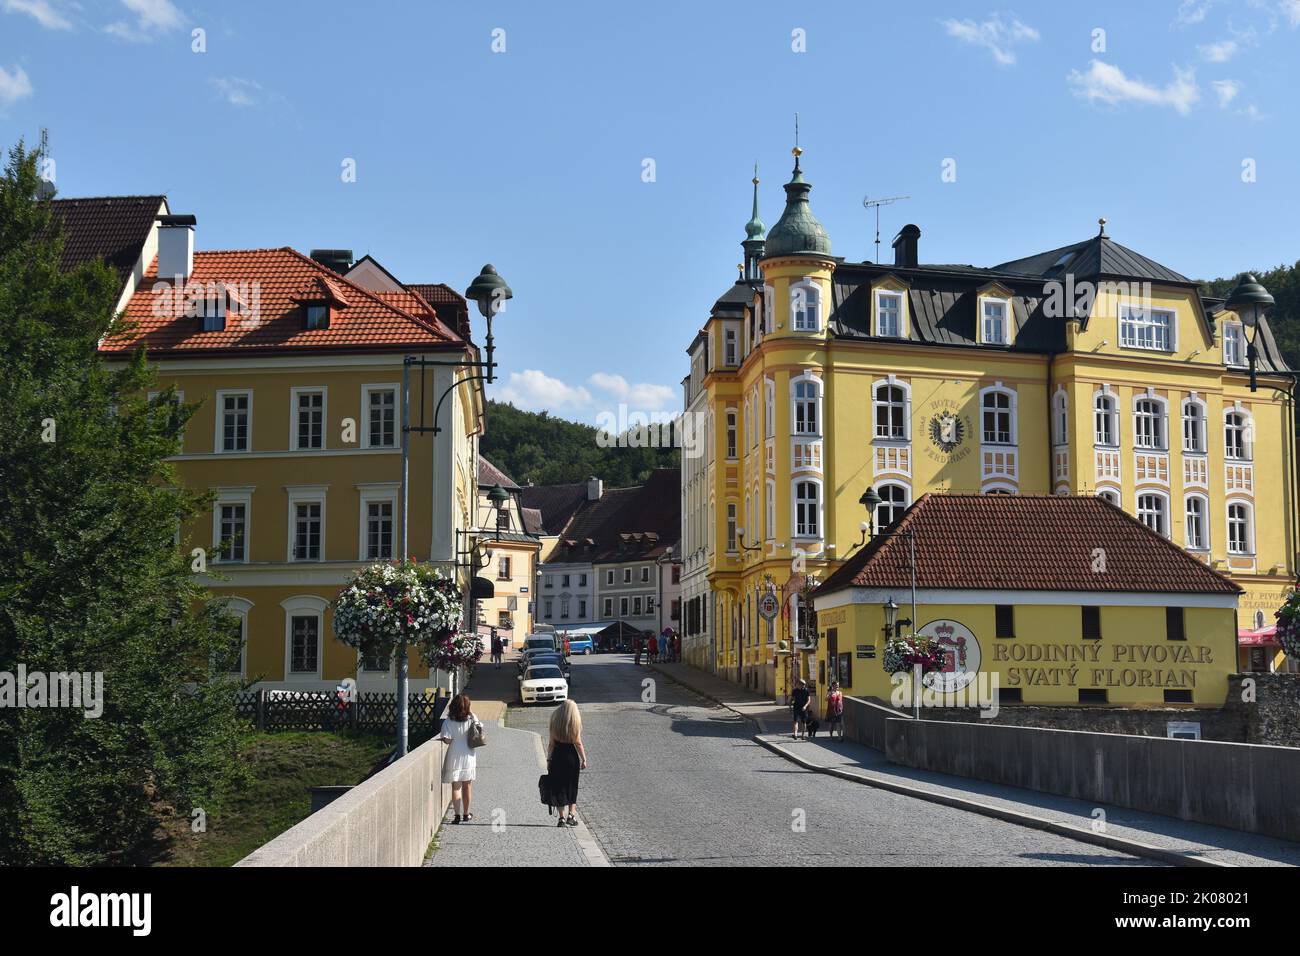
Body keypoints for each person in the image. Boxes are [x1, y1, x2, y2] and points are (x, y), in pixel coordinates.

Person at [437, 694, 479, 824]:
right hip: (468, 755)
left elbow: (448, 740)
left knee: (456, 787)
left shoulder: (448, 722)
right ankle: (466, 814)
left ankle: (456, 816)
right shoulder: (471, 719)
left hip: (454, 755)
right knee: (467, 786)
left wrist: (444, 738)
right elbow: (478, 727)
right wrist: (469, 711)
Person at [547, 699, 587, 828]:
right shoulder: (574, 723)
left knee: (559, 787)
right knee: (572, 786)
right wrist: (584, 759)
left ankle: (561, 818)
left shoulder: (555, 721)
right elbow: (578, 743)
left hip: (557, 757)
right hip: (571, 758)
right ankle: (571, 815)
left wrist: (549, 759)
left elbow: (551, 744)